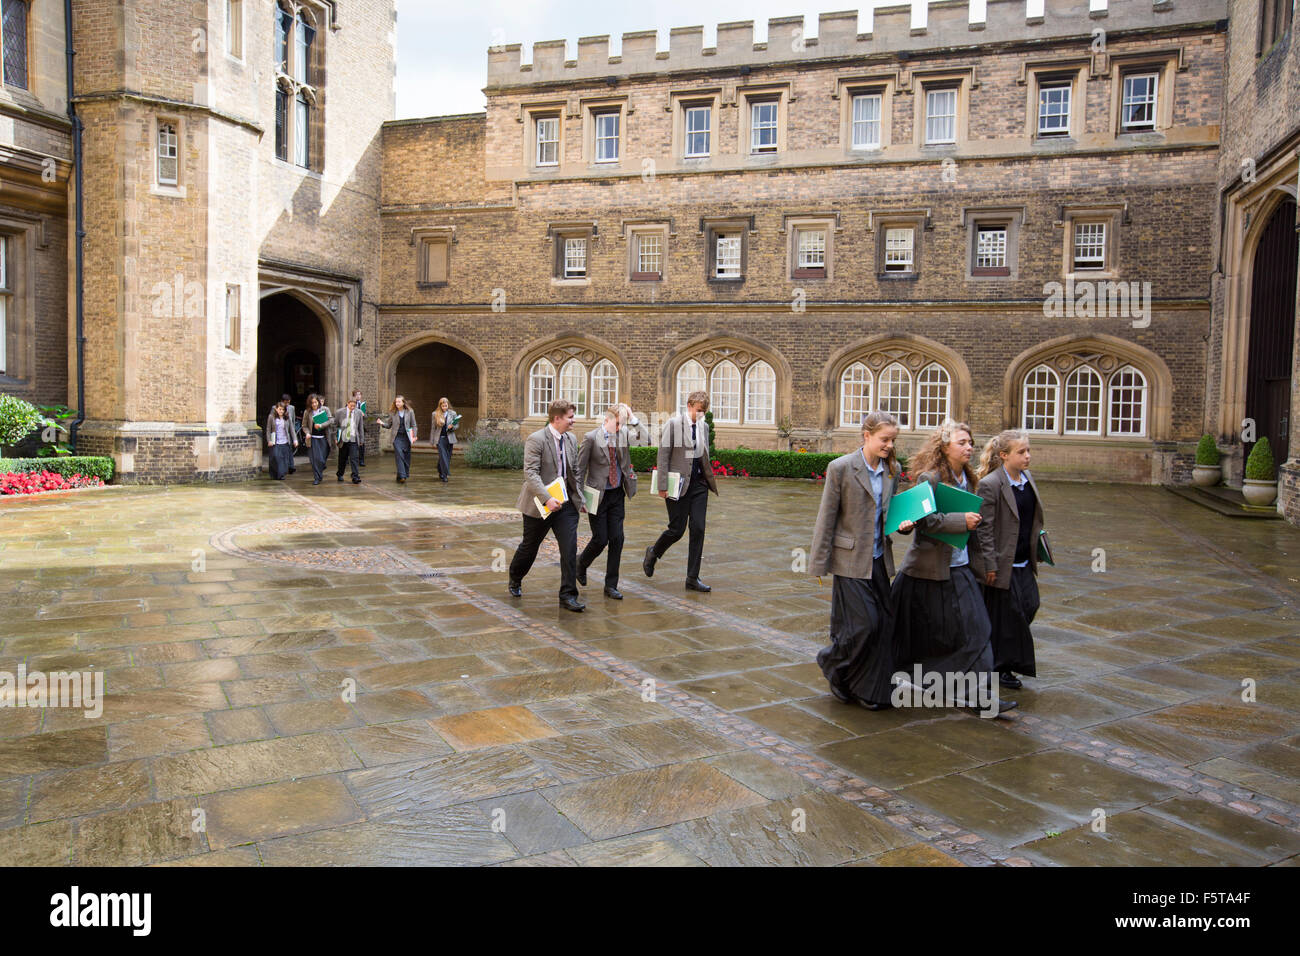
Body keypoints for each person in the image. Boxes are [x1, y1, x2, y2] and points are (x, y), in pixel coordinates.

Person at [892, 419, 1016, 716]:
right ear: (944, 446)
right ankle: (950, 688)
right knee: (937, 636)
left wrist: (987, 563)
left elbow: (977, 530)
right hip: (928, 571)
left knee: (977, 631)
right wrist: (962, 521)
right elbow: (924, 522)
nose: (969, 447)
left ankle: (978, 695)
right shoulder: (930, 479)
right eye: (962, 442)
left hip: (961, 570)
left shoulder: (970, 480)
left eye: (970, 442)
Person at [809, 411, 901, 710]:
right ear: (866, 436)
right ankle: (832, 664)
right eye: (884, 439)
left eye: (892, 440)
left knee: (884, 625)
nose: (889, 445)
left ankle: (866, 688)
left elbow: (888, 515)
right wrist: (819, 563)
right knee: (865, 626)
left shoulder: (892, 471)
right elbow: (827, 518)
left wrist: (903, 524)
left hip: (877, 559)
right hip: (849, 560)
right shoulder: (841, 468)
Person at [976, 430, 1046, 691]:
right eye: (1021, 452)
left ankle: (999, 658)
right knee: (1009, 616)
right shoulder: (991, 484)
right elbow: (984, 528)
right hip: (1002, 564)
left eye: (1028, 451)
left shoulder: (1027, 479)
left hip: (1024, 561)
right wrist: (990, 564)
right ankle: (1000, 667)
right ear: (1004, 455)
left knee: (1031, 605)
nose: (1027, 456)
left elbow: (1032, 518)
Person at [509, 399, 585, 612]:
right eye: (570, 417)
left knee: (569, 549)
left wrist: (581, 498)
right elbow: (530, 474)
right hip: (539, 505)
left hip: (566, 506)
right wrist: (546, 498)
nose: (573, 421)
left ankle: (568, 595)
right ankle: (515, 577)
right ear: (557, 418)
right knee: (529, 547)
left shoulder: (571, 439)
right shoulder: (536, 439)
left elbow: (575, 471)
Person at [644, 391, 718, 592]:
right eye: (699, 411)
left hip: (699, 485)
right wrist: (662, 485)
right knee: (677, 530)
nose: (701, 415)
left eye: (704, 412)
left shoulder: (703, 426)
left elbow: (704, 454)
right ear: (689, 406)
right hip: (677, 485)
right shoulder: (674, 424)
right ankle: (654, 552)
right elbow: (663, 455)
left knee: (698, 528)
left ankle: (692, 578)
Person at [576, 403, 638, 600]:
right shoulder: (591, 438)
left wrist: (633, 418)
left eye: (623, 424)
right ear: (607, 420)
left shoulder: (623, 435)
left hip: (617, 494)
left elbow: (646, 439)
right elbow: (580, 470)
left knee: (617, 539)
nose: (619, 428)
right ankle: (581, 564)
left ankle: (611, 585)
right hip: (598, 495)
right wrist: (579, 498)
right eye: (617, 424)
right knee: (600, 539)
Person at [376, 395, 418, 483]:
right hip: (397, 438)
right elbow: (389, 425)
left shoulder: (410, 412)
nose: (397, 403)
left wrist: (414, 436)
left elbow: (414, 425)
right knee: (399, 456)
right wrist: (381, 423)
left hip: (407, 437)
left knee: (406, 456)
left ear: (403, 402)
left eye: (399, 401)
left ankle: (401, 474)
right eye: (396, 402)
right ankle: (403, 476)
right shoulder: (393, 412)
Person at [302, 393, 333, 485]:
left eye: (315, 402)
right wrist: (307, 433)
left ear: (318, 402)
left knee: (321, 460)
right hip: (313, 439)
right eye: (312, 403)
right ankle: (317, 478)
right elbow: (304, 425)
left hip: (323, 438)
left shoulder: (325, 409)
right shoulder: (307, 412)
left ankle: (320, 470)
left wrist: (321, 425)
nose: (314, 404)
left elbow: (331, 420)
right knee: (314, 460)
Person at [265, 401, 298, 480]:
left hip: (285, 441)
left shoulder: (287, 417)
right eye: (280, 409)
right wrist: (269, 440)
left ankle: (281, 474)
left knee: (284, 459)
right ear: (276, 409)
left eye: (283, 410)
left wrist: (295, 440)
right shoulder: (271, 417)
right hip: (275, 441)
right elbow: (268, 429)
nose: (281, 411)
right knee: (276, 457)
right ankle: (275, 474)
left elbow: (291, 429)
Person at [335, 396, 365, 484]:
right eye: (351, 406)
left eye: (354, 406)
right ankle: (340, 474)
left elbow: (360, 427)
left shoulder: (358, 412)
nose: (352, 408)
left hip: (353, 438)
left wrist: (362, 440)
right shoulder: (339, 412)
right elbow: (334, 425)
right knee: (342, 458)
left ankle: (355, 476)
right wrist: (335, 438)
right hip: (343, 439)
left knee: (354, 458)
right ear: (347, 404)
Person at [434, 397, 457, 482]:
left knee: (447, 456)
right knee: (443, 456)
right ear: (440, 406)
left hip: (449, 438)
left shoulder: (453, 413)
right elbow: (433, 428)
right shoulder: (435, 414)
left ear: (448, 405)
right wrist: (432, 440)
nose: (444, 407)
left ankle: (440, 469)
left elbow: (457, 425)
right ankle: (445, 475)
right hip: (440, 438)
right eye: (442, 406)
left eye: (446, 406)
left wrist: (452, 427)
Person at [281, 393, 298, 473]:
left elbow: (293, 420)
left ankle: (291, 466)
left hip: (289, 432)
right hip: (281, 432)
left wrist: (293, 432)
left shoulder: (291, 408)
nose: (287, 404)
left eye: (288, 402)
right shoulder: (277, 408)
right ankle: (286, 466)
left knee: (290, 449)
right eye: (286, 402)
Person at [351, 389, 368, 468]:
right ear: (354, 396)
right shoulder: (350, 404)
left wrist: (363, 414)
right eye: (357, 395)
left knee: (362, 443)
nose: (358, 396)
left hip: (361, 427)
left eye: (359, 394)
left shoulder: (362, 405)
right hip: (353, 427)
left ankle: (361, 460)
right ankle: (350, 459)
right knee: (351, 443)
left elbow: (366, 416)